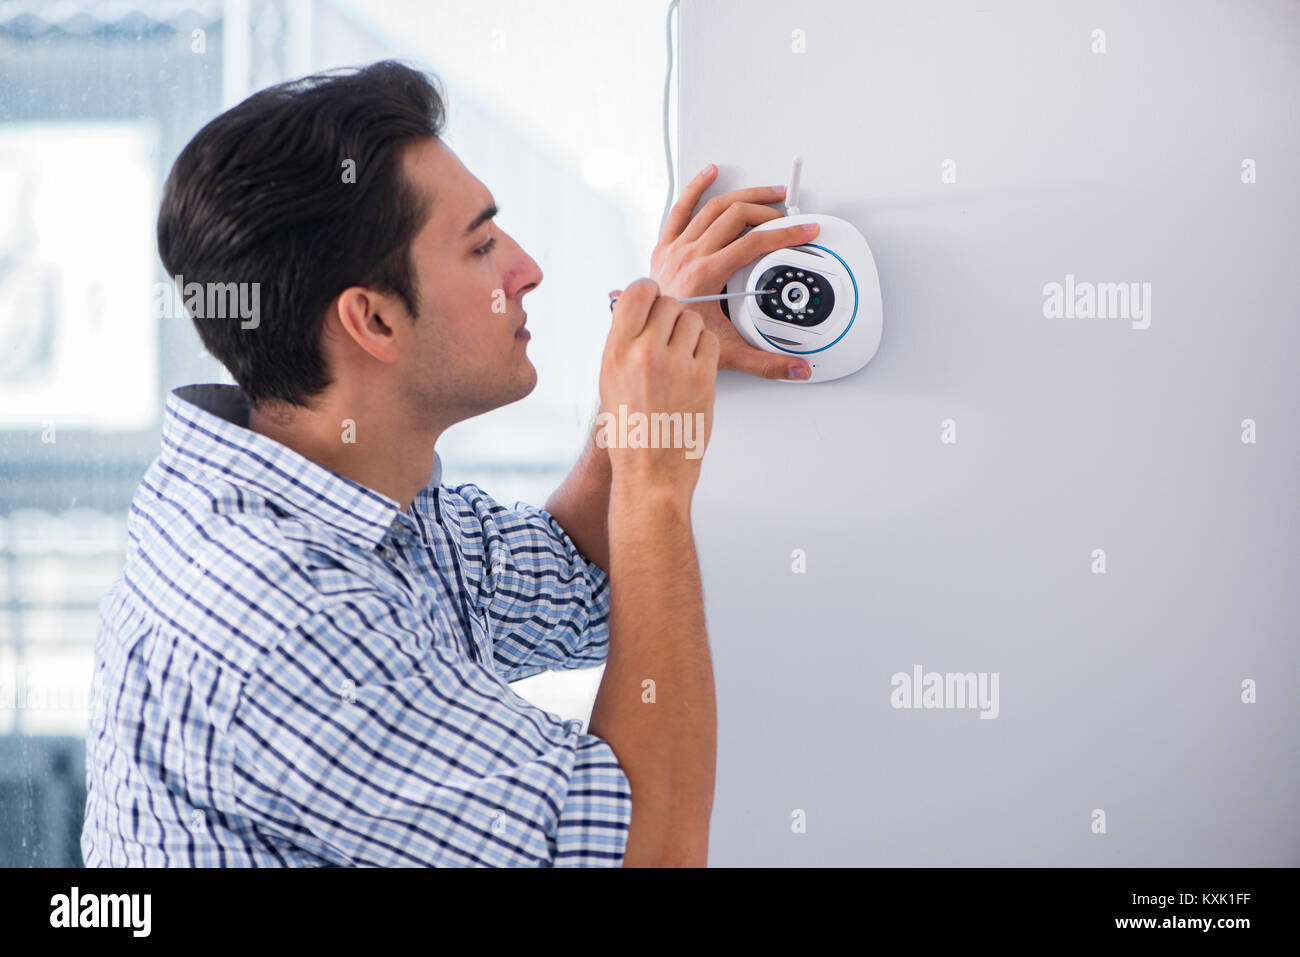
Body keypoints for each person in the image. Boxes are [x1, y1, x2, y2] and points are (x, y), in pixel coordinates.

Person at [81, 60, 817, 868]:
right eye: (481, 245)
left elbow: (574, 580)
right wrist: (654, 483)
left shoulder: (348, 489)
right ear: (373, 320)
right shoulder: (285, 621)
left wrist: (660, 348)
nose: (528, 268)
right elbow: (653, 854)